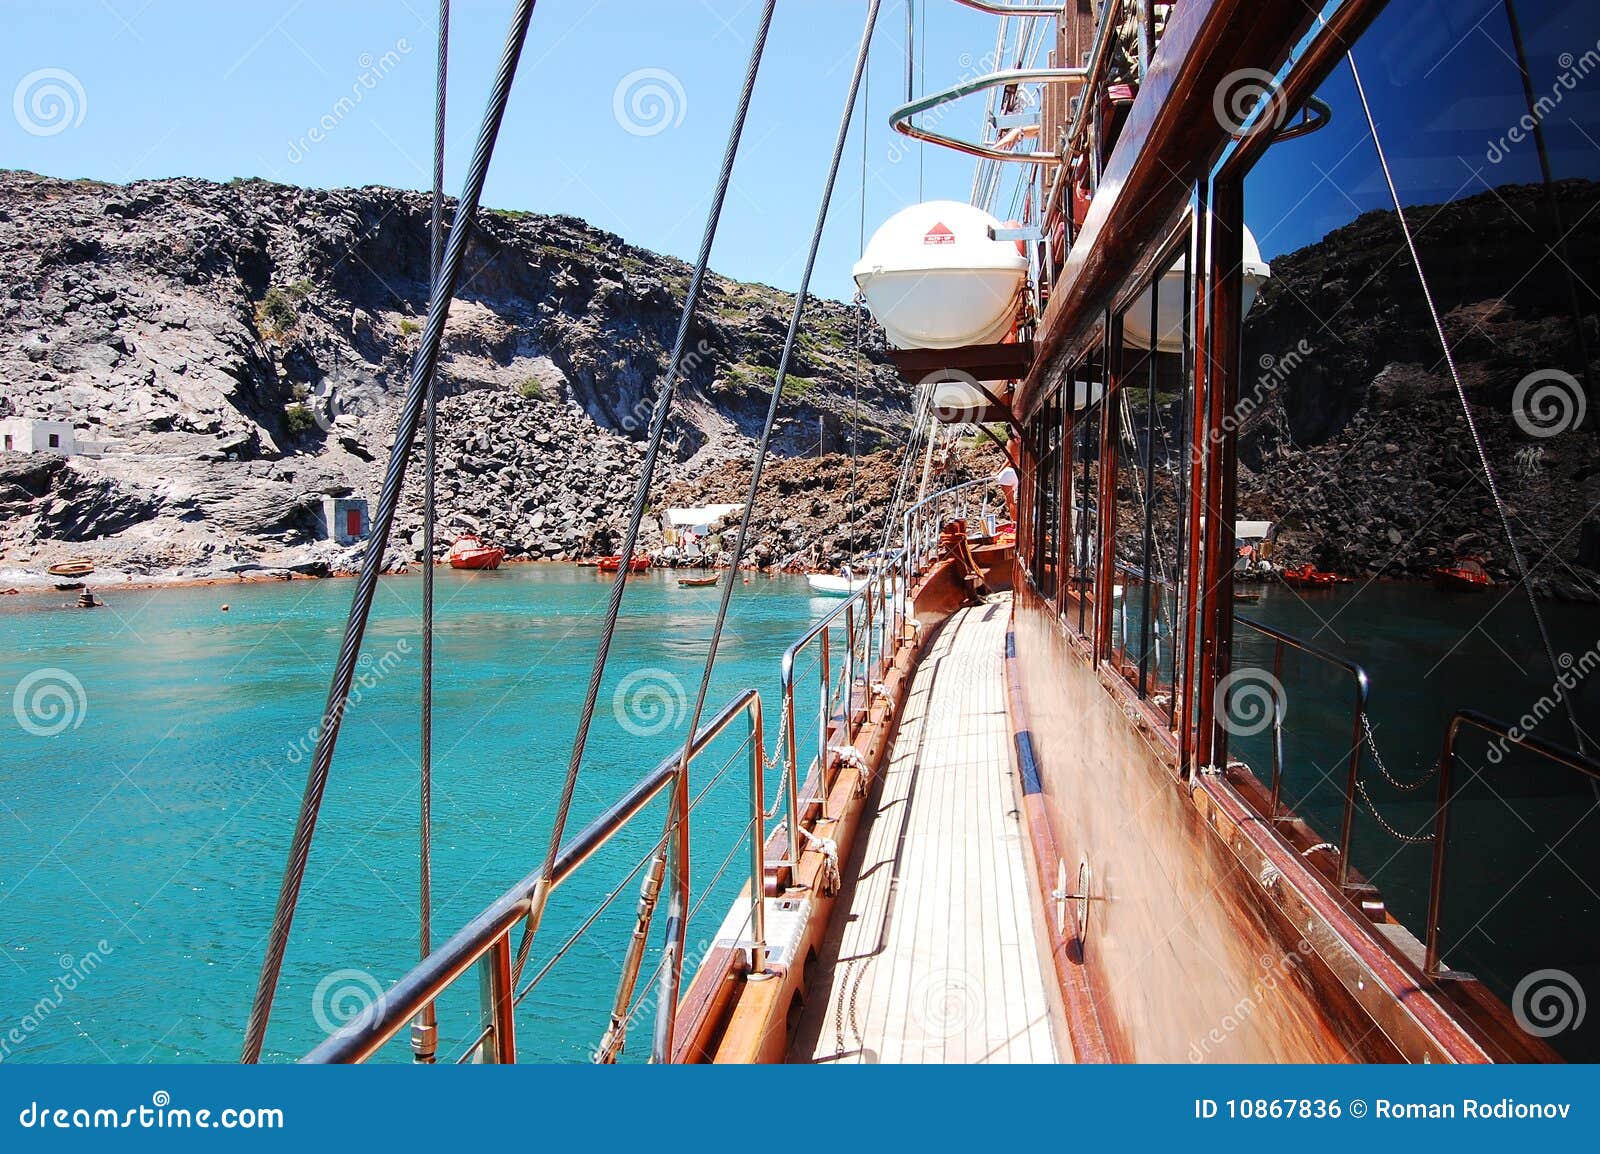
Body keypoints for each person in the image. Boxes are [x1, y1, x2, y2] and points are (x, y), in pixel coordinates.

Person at [996, 433, 1020, 522]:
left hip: (1008, 473)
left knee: (1010, 500)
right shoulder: (1021, 442)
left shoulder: (1011, 442)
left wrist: (998, 471)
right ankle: (1017, 522)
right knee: (1016, 500)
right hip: (1017, 473)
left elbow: (1009, 458)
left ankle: (1014, 522)